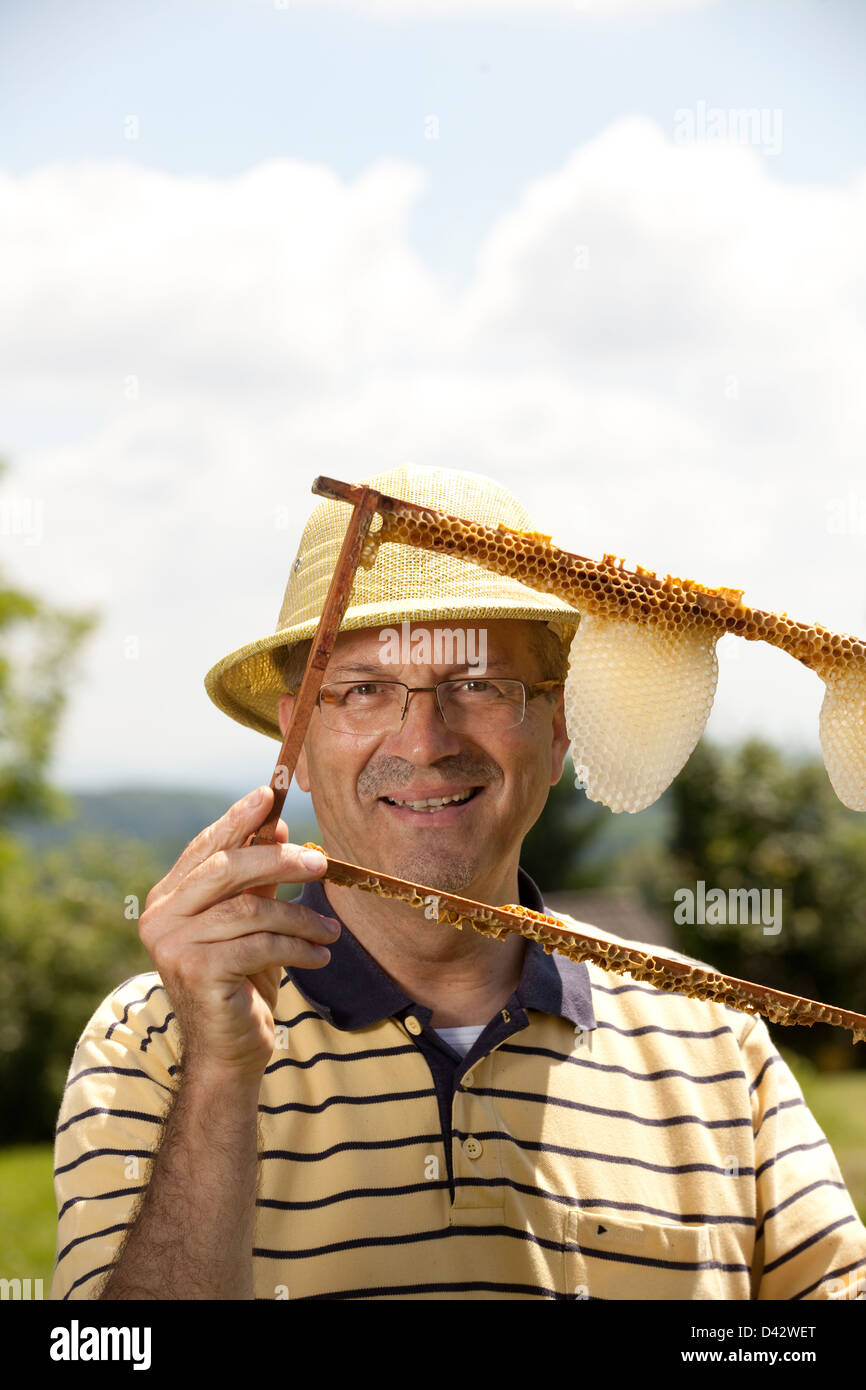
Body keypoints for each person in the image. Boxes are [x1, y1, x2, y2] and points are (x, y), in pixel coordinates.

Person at [50, 466, 866, 1301]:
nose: (427, 740)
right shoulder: (156, 1040)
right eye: (365, 689)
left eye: (477, 684)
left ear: (556, 733)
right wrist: (222, 1076)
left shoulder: (716, 1039)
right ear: (295, 736)